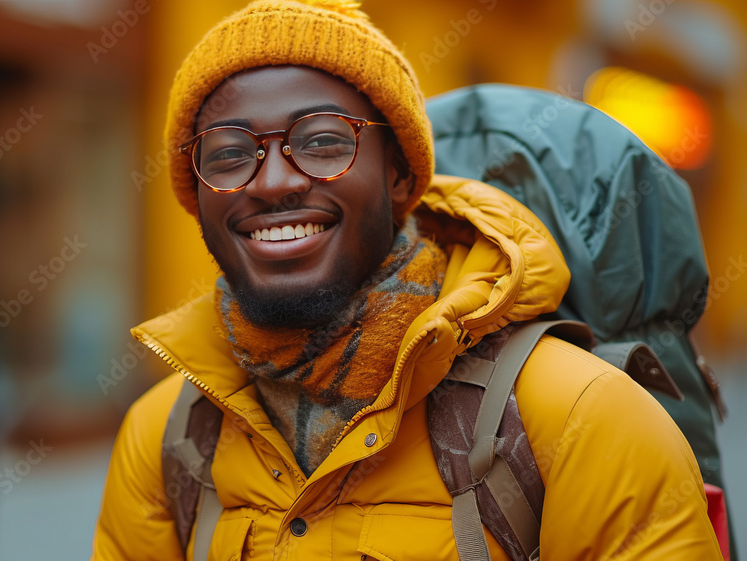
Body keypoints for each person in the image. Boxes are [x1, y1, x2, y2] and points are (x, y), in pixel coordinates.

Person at [93, 0, 724, 559]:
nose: (275, 180)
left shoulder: (583, 419)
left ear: (398, 178)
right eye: (229, 154)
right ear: (196, 198)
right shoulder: (164, 436)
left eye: (321, 143)